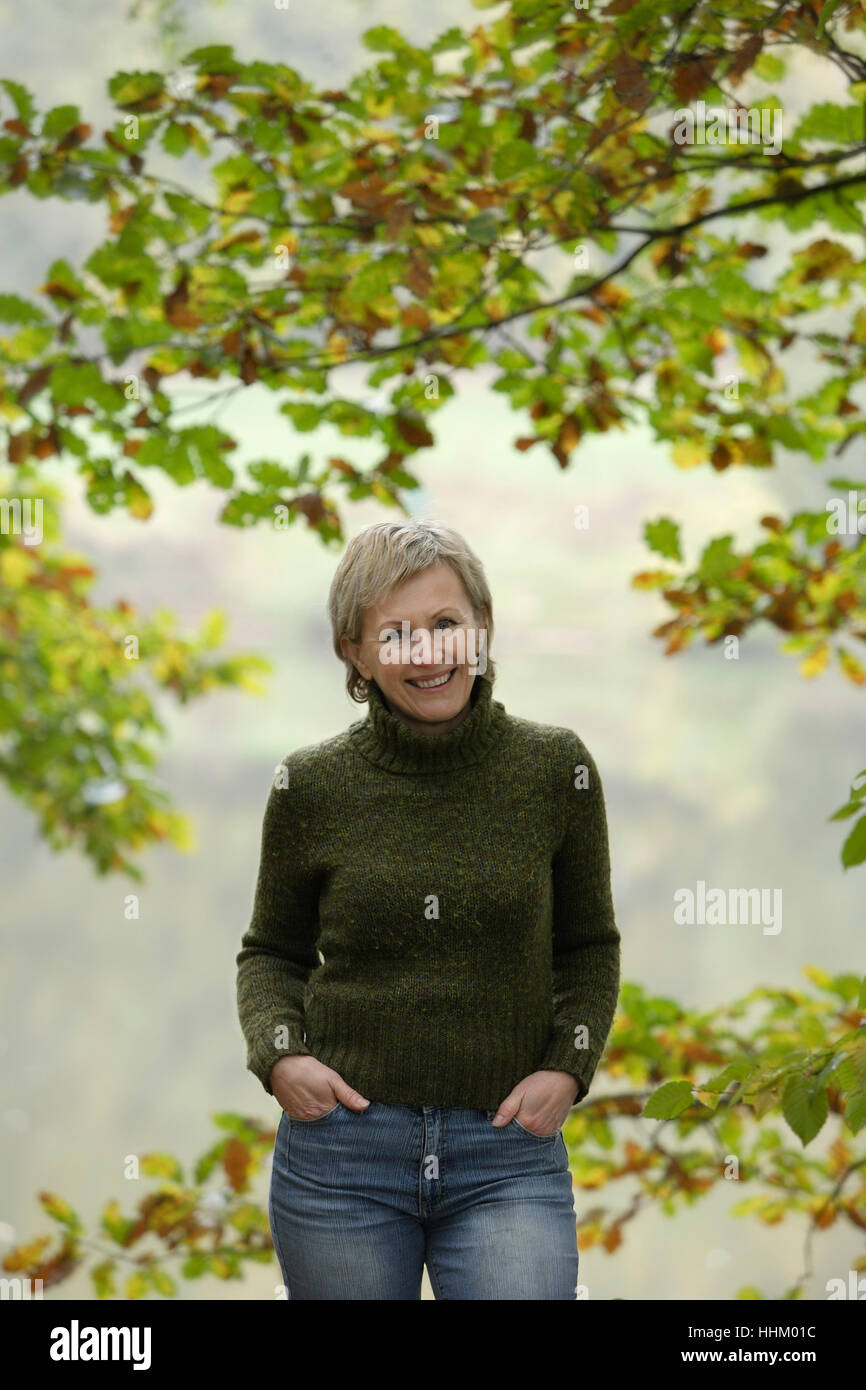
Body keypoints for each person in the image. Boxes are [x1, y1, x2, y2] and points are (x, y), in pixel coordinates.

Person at [236, 518, 621, 1300]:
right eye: (398, 632)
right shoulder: (309, 786)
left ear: (481, 630)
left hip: (506, 1150)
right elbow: (271, 952)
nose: (429, 651)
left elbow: (588, 947)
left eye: (446, 624)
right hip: (341, 1158)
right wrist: (280, 1055)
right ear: (355, 651)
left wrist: (567, 1068)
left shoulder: (555, 770)